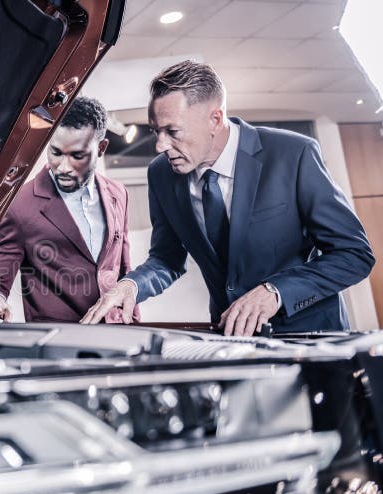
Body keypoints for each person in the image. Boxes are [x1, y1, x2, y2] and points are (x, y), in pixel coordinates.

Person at [81, 60, 374, 335]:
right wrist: (131, 285)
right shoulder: (161, 174)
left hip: (309, 337)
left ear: (215, 119)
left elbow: (354, 255)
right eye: (156, 131)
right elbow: (166, 259)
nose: (160, 146)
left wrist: (275, 292)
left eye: (173, 131)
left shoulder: (293, 154)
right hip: (230, 338)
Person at [0, 96, 138, 323]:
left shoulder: (119, 193)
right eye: (56, 152)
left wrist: (134, 321)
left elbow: (124, 269)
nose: (63, 167)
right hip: (59, 341)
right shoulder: (20, 203)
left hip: (121, 334)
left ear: (101, 148)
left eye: (77, 156)